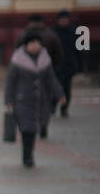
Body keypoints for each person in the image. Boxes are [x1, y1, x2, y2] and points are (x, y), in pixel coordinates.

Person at [5, 30, 65, 168]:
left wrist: (60, 94)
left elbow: (52, 79)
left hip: (40, 100)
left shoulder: (45, 60)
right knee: (27, 128)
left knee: (34, 128)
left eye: (37, 43)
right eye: (32, 43)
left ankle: (28, 154)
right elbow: (10, 81)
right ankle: (27, 156)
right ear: (26, 45)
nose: (35, 45)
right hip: (22, 100)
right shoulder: (18, 60)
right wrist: (8, 99)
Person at [15, 14, 63, 135]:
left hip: (26, 79)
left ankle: (29, 127)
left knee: (29, 105)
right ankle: (43, 126)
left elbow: (16, 55)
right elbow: (58, 54)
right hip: (45, 74)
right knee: (44, 103)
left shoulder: (23, 35)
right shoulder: (51, 35)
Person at [53, 9, 80, 117]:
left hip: (69, 66)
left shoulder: (74, 32)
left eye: (65, 19)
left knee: (67, 88)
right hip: (56, 65)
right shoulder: (53, 32)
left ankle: (64, 108)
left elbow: (78, 51)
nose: (63, 21)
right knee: (55, 87)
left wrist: (78, 66)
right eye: (61, 19)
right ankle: (53, 106)